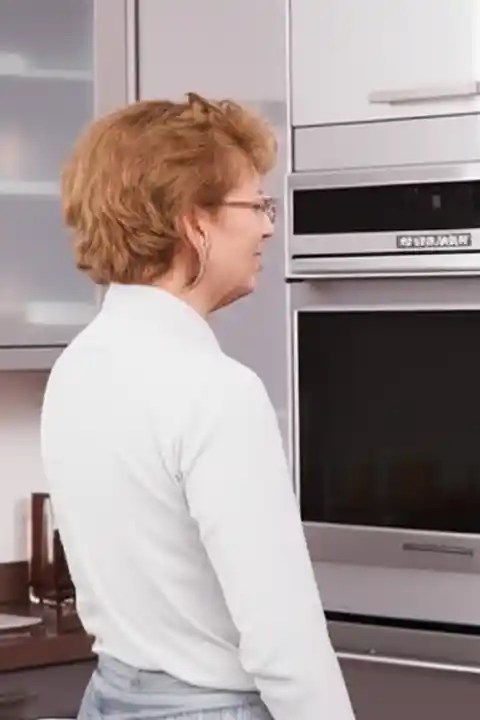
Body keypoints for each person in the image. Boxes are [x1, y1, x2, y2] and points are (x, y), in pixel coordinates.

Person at [42, 93, 356, 719]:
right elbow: (282, 638)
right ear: (195, 222)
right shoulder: (217, 390)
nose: (269, 224)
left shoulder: (77, 365)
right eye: (255, 205)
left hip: (110, 698)